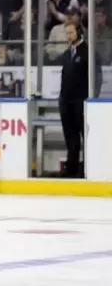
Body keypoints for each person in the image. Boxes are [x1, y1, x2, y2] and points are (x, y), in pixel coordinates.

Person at [58, 21, 89, 178]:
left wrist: (89, 99)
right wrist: (62, 99)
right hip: (67, 102)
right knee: (70, 137)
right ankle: (71, 168)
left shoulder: (87, 52)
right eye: (67, 33)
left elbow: (94, 77)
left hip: (81, 101)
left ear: (78, 31)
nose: (68, 36)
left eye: (71, 32)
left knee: (85, 137)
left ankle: (86, 169)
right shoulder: (66, 54)